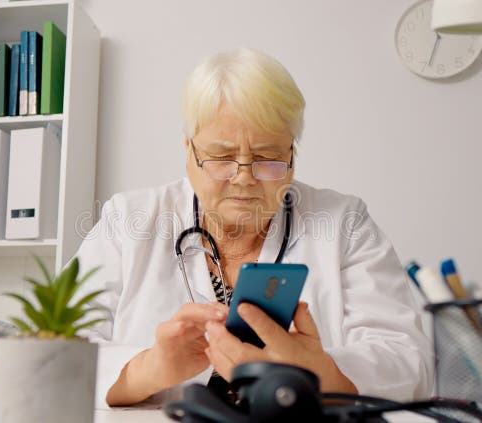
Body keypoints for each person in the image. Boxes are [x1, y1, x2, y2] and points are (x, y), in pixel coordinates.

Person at [73, 47, 433, 408]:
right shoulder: (127, 220)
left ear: (292, 152)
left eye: (268, 157)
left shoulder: (345, 223)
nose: (244, 178)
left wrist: (320, 373)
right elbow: (59, 355)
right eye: (222, 157)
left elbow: (409, 364)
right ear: (189, 150)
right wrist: (147, 369)